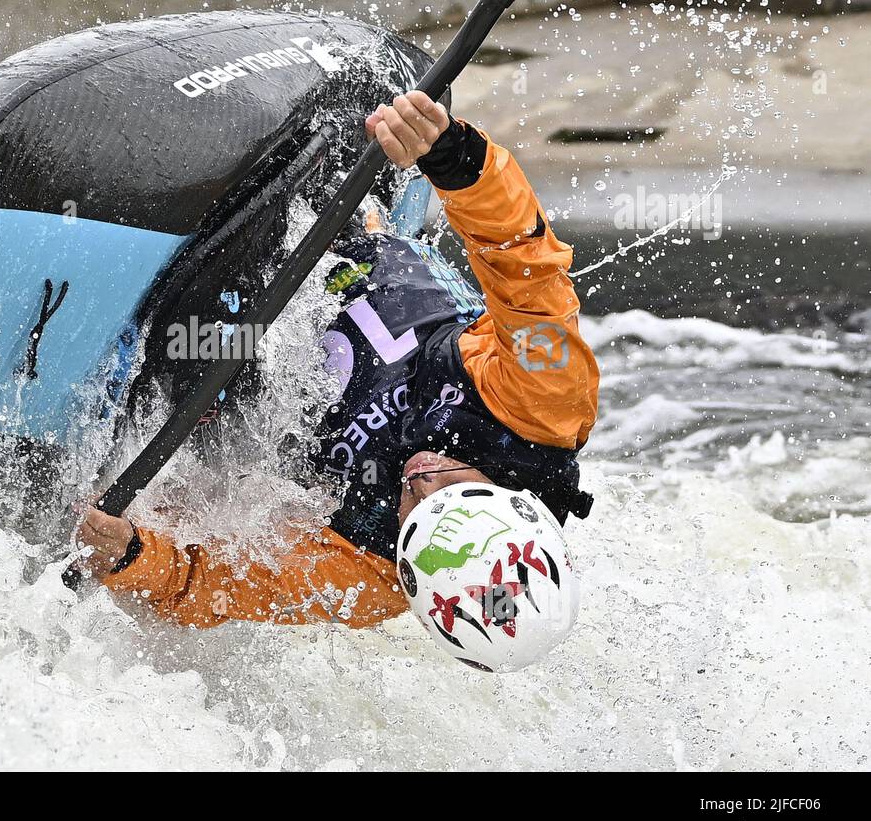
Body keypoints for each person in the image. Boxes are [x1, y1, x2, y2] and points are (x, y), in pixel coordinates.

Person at [75, 90, 599, 632]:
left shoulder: (377, 576)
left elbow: (238, 587)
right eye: (450, 489)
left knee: (189, 457)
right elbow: (523, 263)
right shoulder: (543, 403)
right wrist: (450, 154)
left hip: (253, 367)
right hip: (349, 241)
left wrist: (134, 557)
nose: (419, 482)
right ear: (509, 500)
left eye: (414, 515)